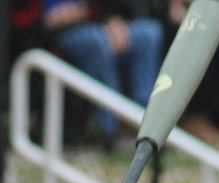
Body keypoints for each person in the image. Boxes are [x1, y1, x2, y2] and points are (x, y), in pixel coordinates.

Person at [43, 0, 163, 144]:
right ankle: (109, 127)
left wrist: (112, 18)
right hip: (61, 32)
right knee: (97, 41)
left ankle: (145, 122)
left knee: (149, 32)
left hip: (98, 22)